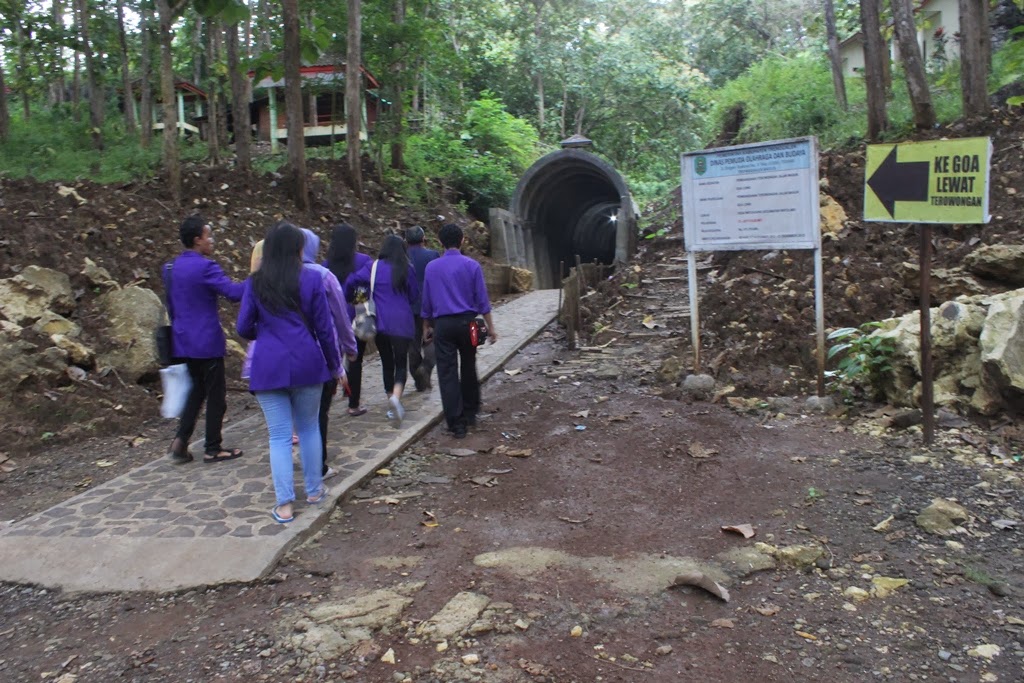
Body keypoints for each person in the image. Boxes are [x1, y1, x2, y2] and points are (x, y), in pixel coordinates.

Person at [237, 222, 342, 524]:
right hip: (308, 363)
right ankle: (314, 491)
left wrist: (268, 331)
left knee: (279, 436)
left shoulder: (255, 283)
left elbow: (244, 327)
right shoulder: (311, 279)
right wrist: (334, 366)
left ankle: (284, 505)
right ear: (299, 250)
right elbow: (324, 329)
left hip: (268, 366)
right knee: (309, 427)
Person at [164, 215, 245, 464]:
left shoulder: (170, 268)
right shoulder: (206, 267)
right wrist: (257, 279)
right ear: (198, 240)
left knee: (196, 392)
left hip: (182, 340)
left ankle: (180, 442)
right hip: (206, 341)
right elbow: (232, 293)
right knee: (216, 396)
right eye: (209, 235)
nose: (212, 241)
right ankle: (213, 446)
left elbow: (171, 304)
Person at [421, 224, 497, 439]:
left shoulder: (431, 268)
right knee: (469, 364)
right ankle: (471, 412)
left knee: (447, 373)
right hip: (469, 324)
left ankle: (456, 423)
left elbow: (426, 301)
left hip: (443, 326)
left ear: (440, 242)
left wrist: (426, 326)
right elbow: (482, 301)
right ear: (462, 240)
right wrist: (491, 328)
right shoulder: (472, 265)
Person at [300, 228, 357, 480]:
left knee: (290, 422)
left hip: (286, 354)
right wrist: (349, 347)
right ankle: (317, 467)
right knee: (318, 414)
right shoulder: (323, 274)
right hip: (326, 348)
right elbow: (345, 311)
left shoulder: (274, 276)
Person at [345, 234, 419, 426]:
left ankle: (390, 401)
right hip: (402, 322)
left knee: (387, 362)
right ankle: (396, 397)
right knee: (401, 363)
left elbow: (352, 281)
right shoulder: (407, 268)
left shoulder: (373, 266)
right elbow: (413, 295)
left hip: (382, 322)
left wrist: (354, 298)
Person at [326, 223, 373, 417]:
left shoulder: (325, 265)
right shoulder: (364, 261)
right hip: (357, 316)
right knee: (356, 360)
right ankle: (353, 403)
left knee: (331, 360)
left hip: (330, 319)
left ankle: (325, 405)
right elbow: (369, 281)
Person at [405, 225, 440, 391]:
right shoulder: (432, 255)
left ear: (406, 241)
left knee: (413, 345)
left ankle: (420, 382)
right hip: (430, 305)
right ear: (423, 239)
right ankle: (425, 368)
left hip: (407, 308)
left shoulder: (401, 258)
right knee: (432, 340)